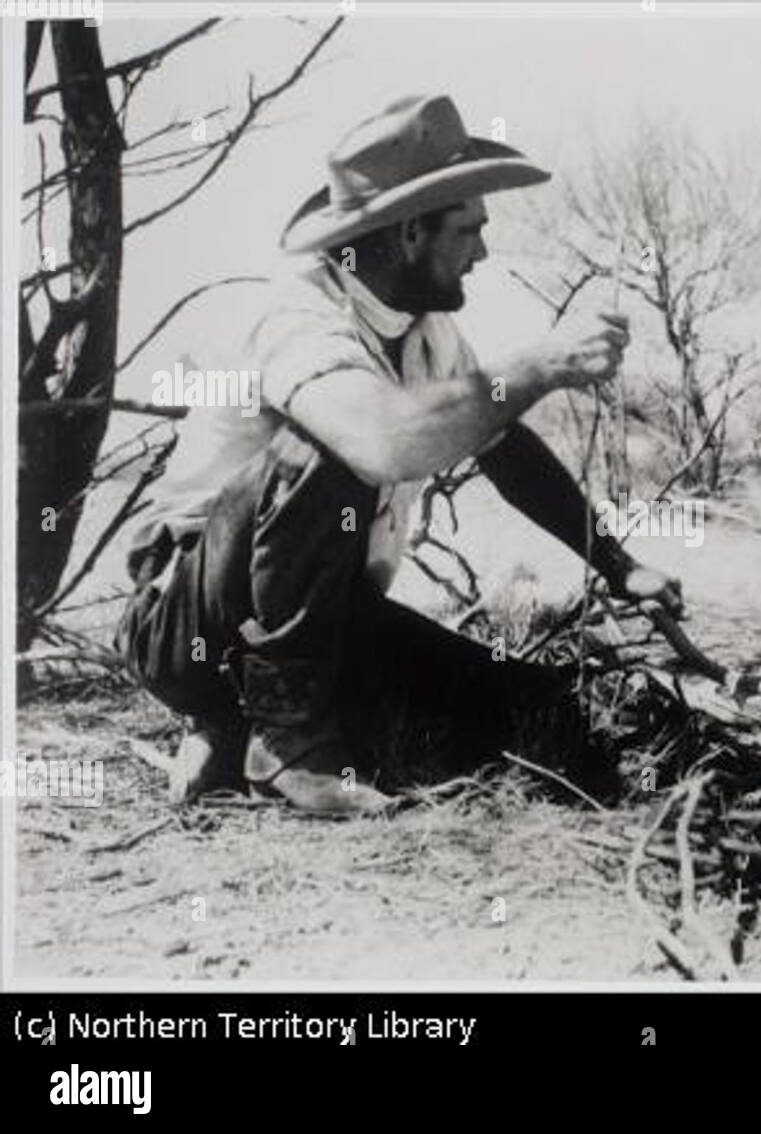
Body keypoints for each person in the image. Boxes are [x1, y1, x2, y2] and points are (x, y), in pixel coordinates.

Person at [116, 94, 681, 813]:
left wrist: (621, 566)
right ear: (411, 232)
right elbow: (376, 440)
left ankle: (232, 727)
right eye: (469, 229)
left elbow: (507, 453)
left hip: (316, 631)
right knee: (331, 439)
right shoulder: (299, 316)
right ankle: (289, 746)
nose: (483, 251)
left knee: (522, 711)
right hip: (184, 627)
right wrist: (540, 365)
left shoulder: (427, 331)